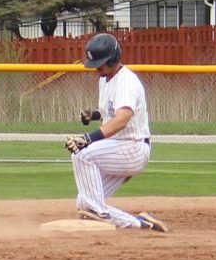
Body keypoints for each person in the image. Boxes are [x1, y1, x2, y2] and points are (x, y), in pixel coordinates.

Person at [65, 32, 168, 232]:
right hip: (117, 148)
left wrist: (88, 138)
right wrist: (94, 115)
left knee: (81, 153)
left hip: (132, 148)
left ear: (112, 59)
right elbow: (111, 113)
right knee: (85, 204)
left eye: (100, 64)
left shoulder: (127, 81)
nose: (96, 69)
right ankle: (141, 223)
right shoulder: (105, 80)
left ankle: (101, 213)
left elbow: (121, 120)